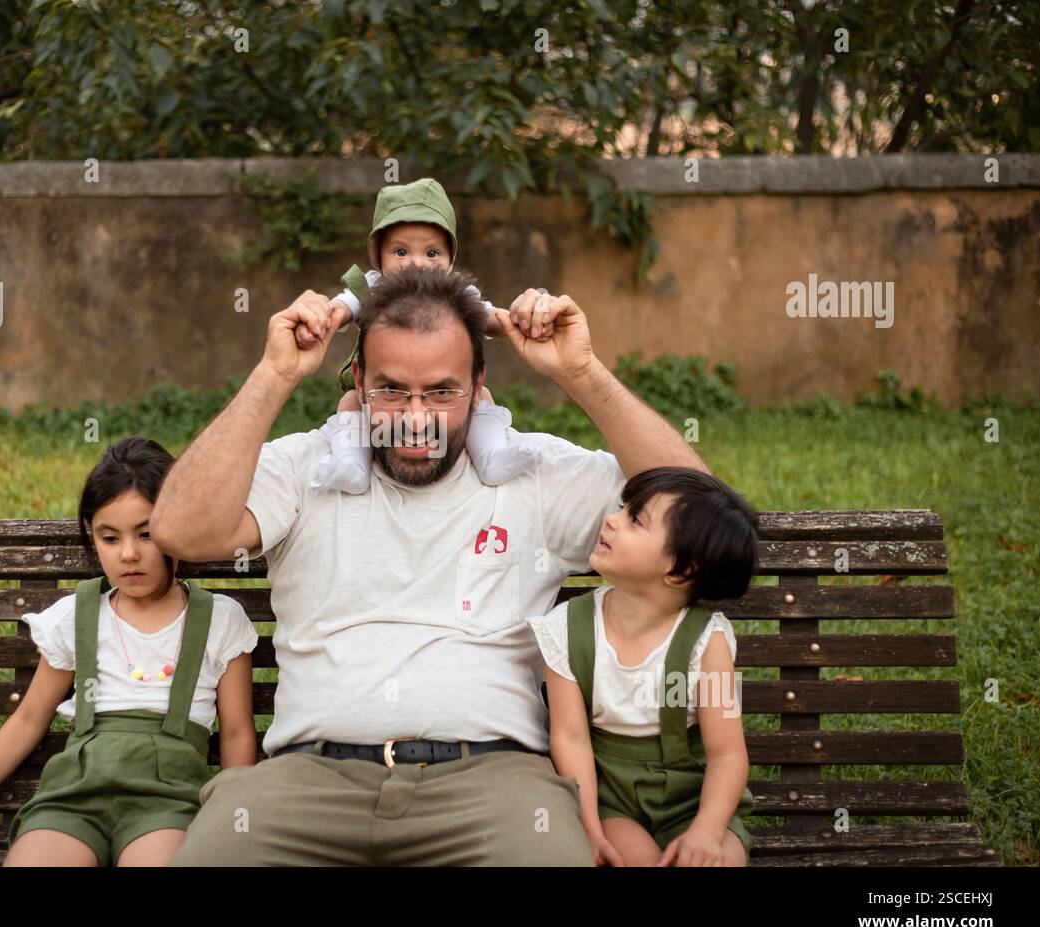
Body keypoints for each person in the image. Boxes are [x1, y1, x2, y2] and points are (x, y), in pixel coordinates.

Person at [152, 263, 711, 865]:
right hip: (306, 782)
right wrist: (274, 374)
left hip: (492, 783)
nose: (415, 418)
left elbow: (696, 517)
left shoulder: (533, 473)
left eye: (442, 392)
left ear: (479, 385)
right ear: (358, 380)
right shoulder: (310, 466)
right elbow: (180, 531)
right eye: (391, 390)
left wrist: (580, 372)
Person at [0, 437, 259, 866]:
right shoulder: (79, 616)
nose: (129, 553)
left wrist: (233, 821)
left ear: (177, 527)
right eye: (110, 538)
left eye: (146, 534)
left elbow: (237, 733)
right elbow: (29, 719)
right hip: (72, 801)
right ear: (93, 539)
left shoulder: (218, 621)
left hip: (168, 804)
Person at [530, 466, 759, 867]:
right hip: (613, 800)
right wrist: (590, 828)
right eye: (622, 507)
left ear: (679, 570)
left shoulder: (709, 643)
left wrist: (706, 831)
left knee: (721, 861)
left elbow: (727, 755)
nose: (612, 520)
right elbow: (571, 739)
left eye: (635, 519)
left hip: (695, 802)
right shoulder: (566, 629)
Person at [305, 178, 547, 494]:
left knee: (481, 396)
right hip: (381, 389)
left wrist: (517, 322)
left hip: (434, 385)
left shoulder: (456, 290)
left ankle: (491, 456)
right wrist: (327, 315)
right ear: (378, 257)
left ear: (450, 260)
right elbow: (344, 305)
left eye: (432, 253)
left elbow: (487, 316)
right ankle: (351, 465)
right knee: (350, 403)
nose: (417, 263)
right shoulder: (373, 284)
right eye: (401, 252)